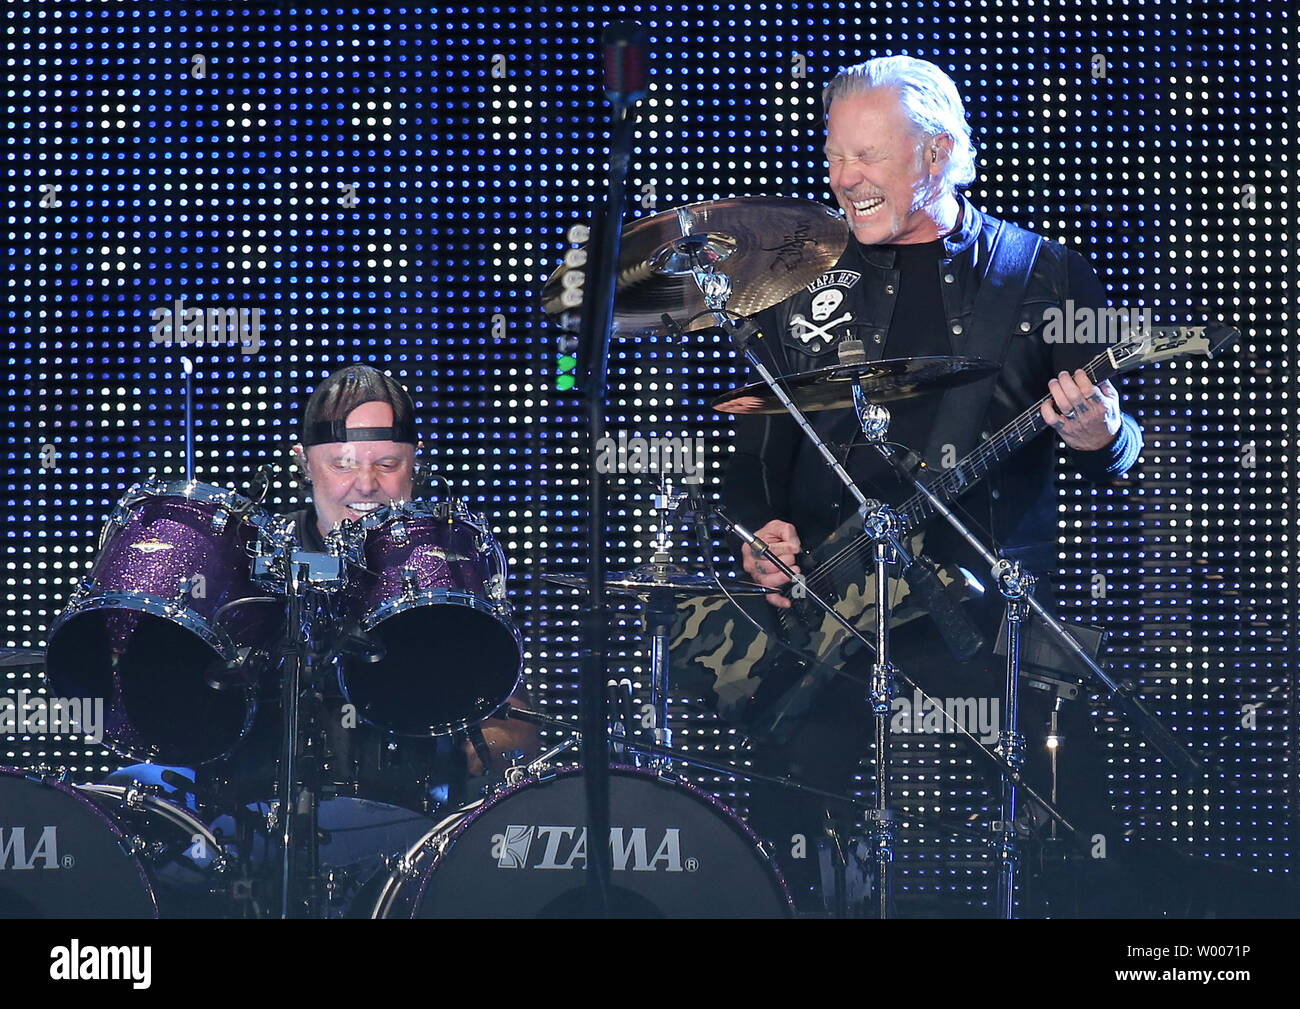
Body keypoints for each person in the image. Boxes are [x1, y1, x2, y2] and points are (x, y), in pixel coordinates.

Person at [718, 56, 1148, 915]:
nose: (844, 179)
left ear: (938, 151)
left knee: (1020, 868)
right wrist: (759, 530)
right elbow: (753, 453)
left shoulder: (1045, 274)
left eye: (868, 157)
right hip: (830, 627)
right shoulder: (793, 280)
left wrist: (1102, 433)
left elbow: (1119, 450)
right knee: (796, 864)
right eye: (836, 155)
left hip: (986, 637)